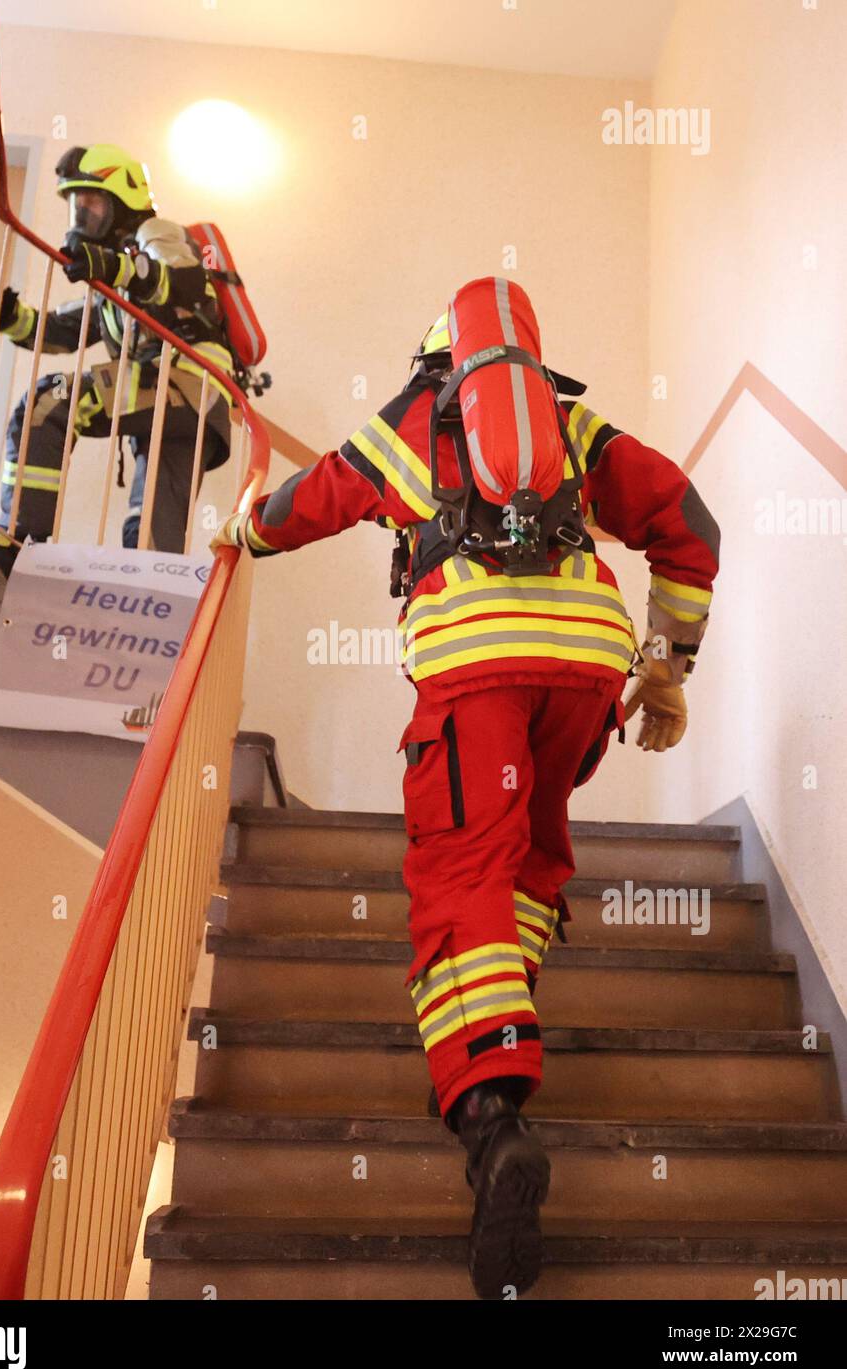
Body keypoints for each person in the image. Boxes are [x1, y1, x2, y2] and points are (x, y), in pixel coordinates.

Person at [212, 286, 720, 1300]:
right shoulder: (574, 426)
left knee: (460, 874)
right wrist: (665, 667)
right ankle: (509, 1012)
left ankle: (492, 1116)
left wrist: (243, 533)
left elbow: (310, 501)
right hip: (586, 666)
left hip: (476, 673)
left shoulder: (413, 419)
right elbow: (689, 521)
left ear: (435, 360)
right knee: (530, 855)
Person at [0, 144, 235, 574]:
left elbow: (185, 282)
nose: (82, 215)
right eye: (77, 204)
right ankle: (144, 601)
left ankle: (20, 538)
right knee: (152, 527)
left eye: (91, 201)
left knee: (50, 400)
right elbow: (50, 332)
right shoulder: (113, 290)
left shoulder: (155, 233)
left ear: (122, 199)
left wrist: (115, 267)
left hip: (185, 381)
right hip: (190, 404)